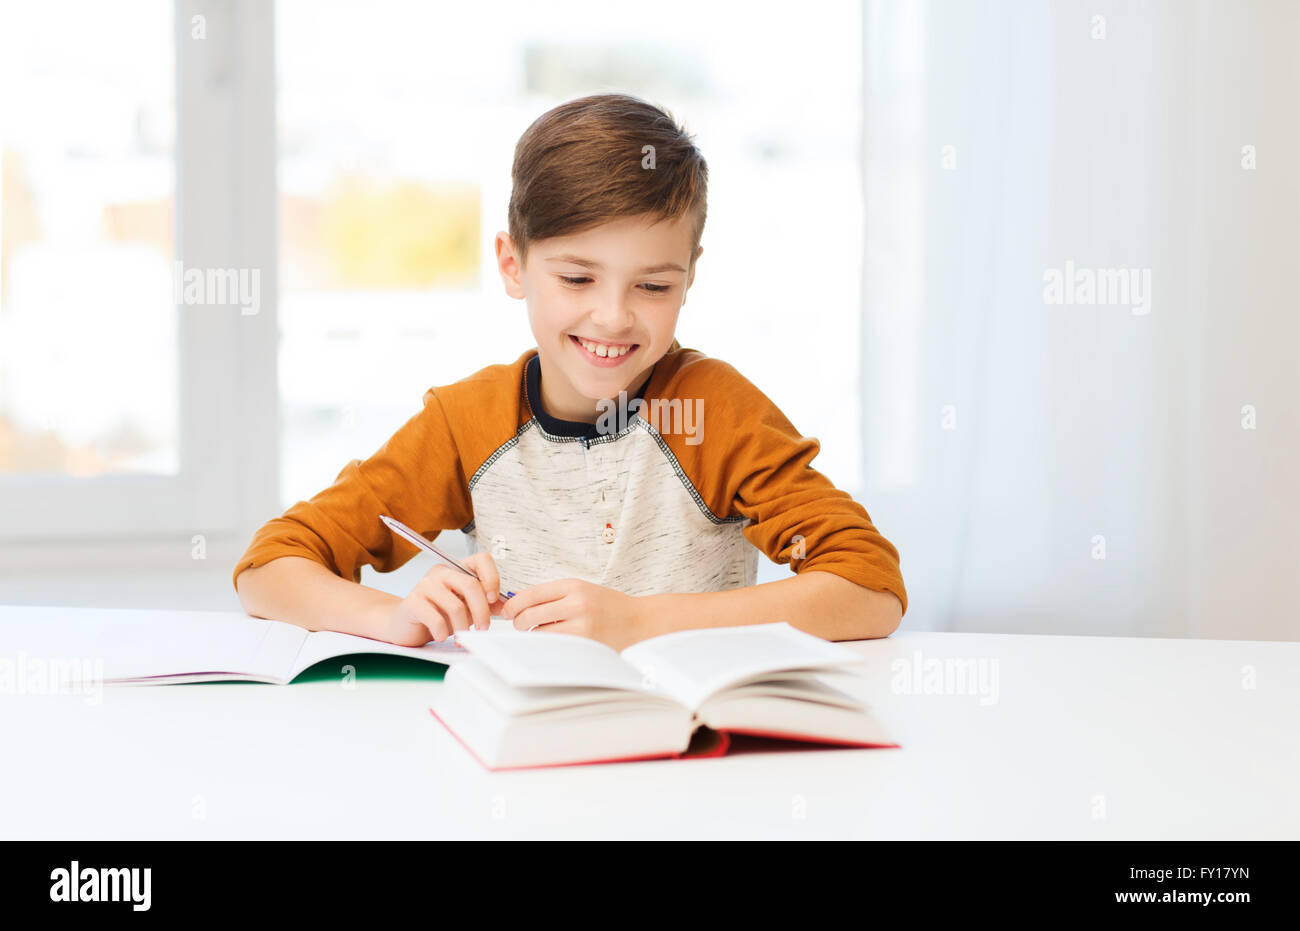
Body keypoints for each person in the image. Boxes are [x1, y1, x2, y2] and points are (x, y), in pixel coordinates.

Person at [233, 92, 906, 651]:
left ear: (690, 276)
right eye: (578, 277)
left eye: (653, 286)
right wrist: (391, 617)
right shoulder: (468, 422)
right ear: (512, 265)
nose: (613, 317)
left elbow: (869, 588)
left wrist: (642, 623)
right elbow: (268, 568)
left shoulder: (713, 409)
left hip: (698, 754)